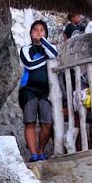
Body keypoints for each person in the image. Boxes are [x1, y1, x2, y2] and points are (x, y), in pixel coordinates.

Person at [18, 19, 59, 162]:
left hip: (46, 90)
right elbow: (30, 64)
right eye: (35, 30)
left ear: (46, 33)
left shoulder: (48, 47)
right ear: (30, 33)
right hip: (28, 89)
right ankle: (34, 153)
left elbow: (54, 53)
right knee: (30, 122)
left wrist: (44, 42)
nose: (38, 32)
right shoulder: (25, 49)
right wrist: (46, 57)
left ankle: (41, 150)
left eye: (41, 30)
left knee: (47, 123)